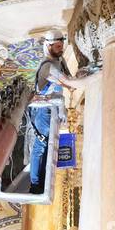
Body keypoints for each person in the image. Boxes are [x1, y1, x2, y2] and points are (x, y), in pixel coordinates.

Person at [29, 29, 89, 194]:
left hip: (53, 108)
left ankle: (41, 181)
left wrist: (84, 71)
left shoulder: (59, 60)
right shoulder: (47, 67)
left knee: (49, 146)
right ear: (48, 46)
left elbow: (71, 81)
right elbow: (68, 82)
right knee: (41, 145)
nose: (60, 49)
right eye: (57, 46)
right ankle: (35, 185)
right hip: (43, 110)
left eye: (61, 46)